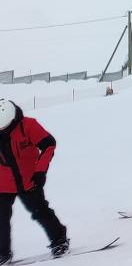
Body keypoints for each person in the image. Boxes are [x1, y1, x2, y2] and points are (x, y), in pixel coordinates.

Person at [0, 98, 68, 261]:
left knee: (40, 211)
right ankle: (2, 253)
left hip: (29, 179)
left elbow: (49, 145)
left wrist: (40, 171)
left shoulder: (28, 125)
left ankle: (59, 241)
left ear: (11, 121)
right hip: (3, 183)